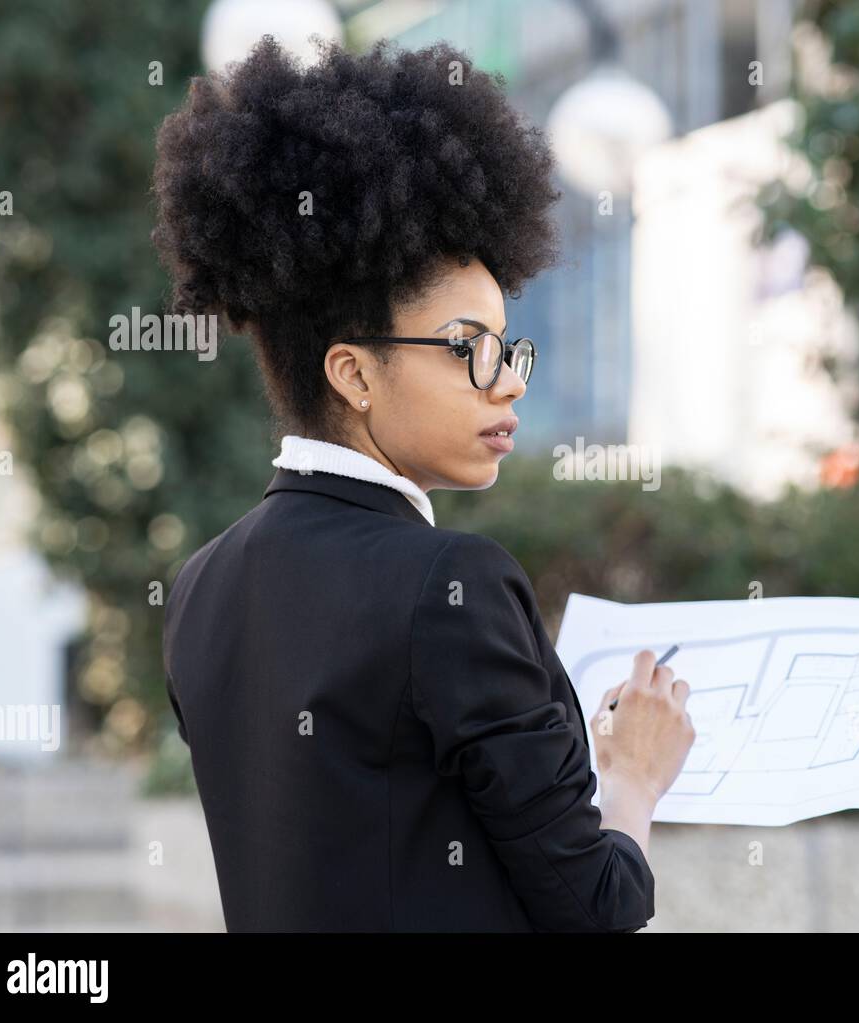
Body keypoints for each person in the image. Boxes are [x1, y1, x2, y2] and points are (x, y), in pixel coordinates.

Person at [152, 36, 694, 932]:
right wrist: (634, 771)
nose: (510, 378)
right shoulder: (452, 586)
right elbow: (598, 903)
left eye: (509, 346)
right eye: (468, 348)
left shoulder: (201, 585)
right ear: (354, 375)